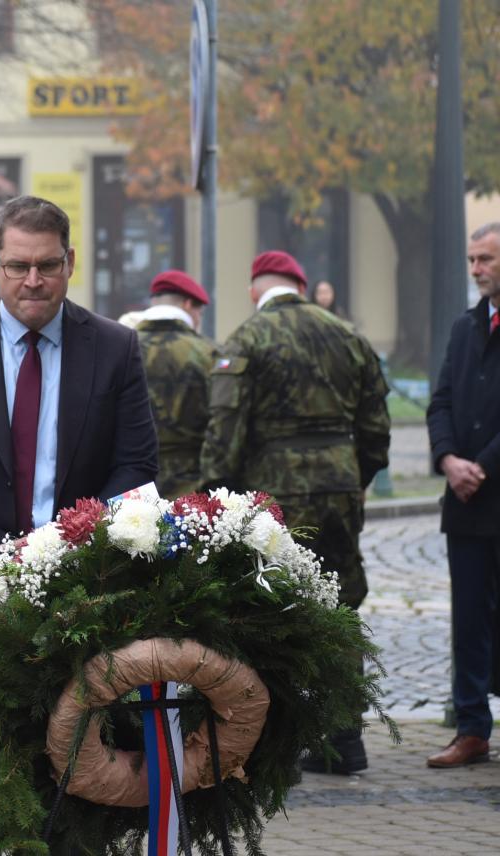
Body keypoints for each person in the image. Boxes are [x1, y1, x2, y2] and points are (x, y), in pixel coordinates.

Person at [0, 195, 158, 856]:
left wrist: (71, 549)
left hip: (86, 594)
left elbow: (136, 464)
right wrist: (12, 555)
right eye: (18, 266)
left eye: (47, 265)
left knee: (77, 781)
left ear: (70, 263)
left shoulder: (115, 348)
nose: (33, 281)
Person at [201, 249, 390, 774]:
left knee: (270, 607)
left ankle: (275, 745)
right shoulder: (348, 335)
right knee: (341, 605)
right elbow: (377, 428)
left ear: (255, 288)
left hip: (273, 494)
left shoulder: (246, 339)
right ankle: (346, 737)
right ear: (301, 285)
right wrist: (354, 476)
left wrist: (219, 495)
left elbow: (225, 430)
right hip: (337, 485)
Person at [424, 222, 500, 768]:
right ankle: (472, 727)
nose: (476, 270)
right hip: (466, 504)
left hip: (493, 489)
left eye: (486, 260)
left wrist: (484, 467)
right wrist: (450, 461)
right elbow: (440, 402)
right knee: (468, 619)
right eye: (472, 260)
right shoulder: (464, 327)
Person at [134, 270, 218, 498]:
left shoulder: (117, 349)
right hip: (192, 488)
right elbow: (221, 425)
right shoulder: (208, 353)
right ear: (189, 305)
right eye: (199, 312)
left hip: (131, 489)